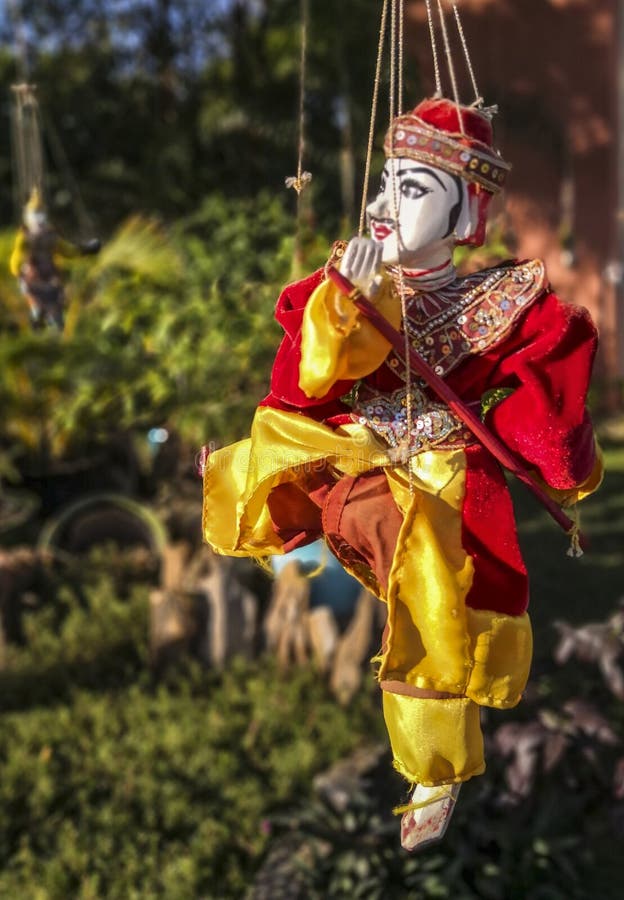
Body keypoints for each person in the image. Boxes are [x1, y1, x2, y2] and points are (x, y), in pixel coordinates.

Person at [202, 97, 603, 848]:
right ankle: (249, 489)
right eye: (385, 184)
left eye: (413, 189)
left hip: (443, 485)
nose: (383, 205)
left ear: (466, 218)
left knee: (426, 570)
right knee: (279, 451)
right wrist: (345, 307)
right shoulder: (346, 286)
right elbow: (303, 385)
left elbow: (538, 433)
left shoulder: (504, 305)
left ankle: (435, 763)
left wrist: (554, 440)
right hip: (355, 460)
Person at [10, 188, 100, 330]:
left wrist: (85, 250)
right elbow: (17, 256)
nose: (39, 219)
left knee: (56, 307)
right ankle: (37, 319)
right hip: (31, 276)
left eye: (40, 214)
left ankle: (56, 327)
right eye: (35, 214)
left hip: (50, 276)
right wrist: (18, 271)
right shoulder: (24, 237)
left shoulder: (51, 236)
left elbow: (67, 250)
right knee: (37, 305)